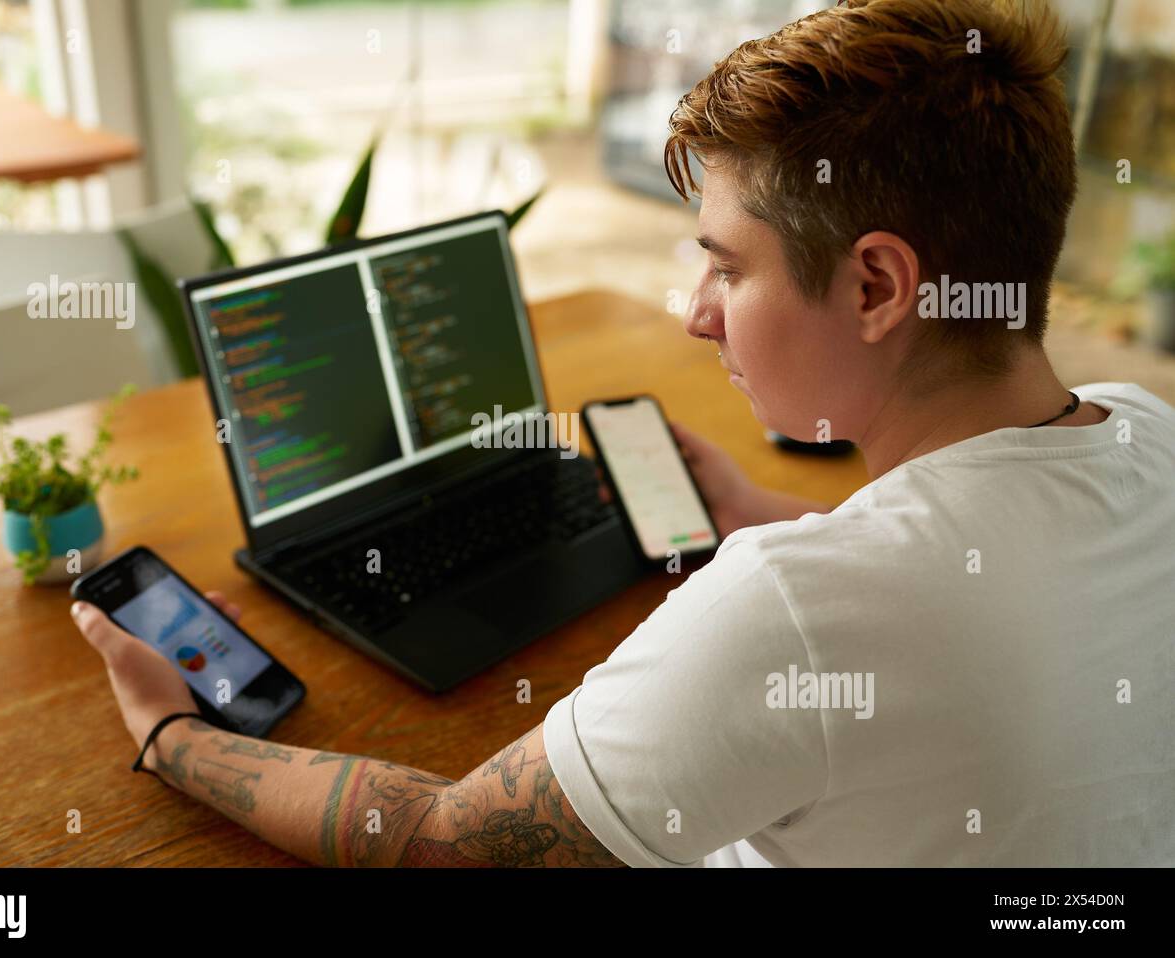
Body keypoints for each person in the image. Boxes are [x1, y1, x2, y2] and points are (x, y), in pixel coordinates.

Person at [71, 0, 1175, 866]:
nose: (697, 314)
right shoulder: (1145, 435)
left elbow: (440, 841)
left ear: (878, 285)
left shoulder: (792, 612)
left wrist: (176, 737)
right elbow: (974, 583)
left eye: (728, 266)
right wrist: (764, 509)